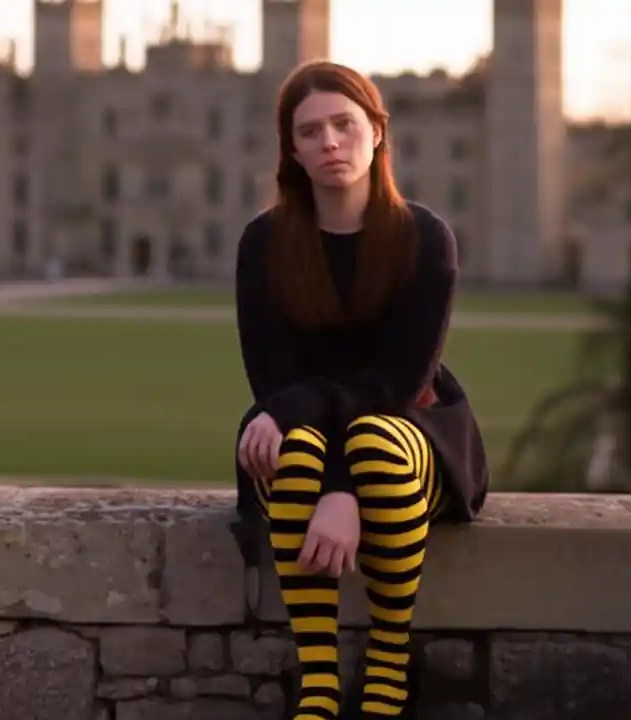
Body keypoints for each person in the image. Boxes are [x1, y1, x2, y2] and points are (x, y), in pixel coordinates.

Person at [233, 60, 490, 720]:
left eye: (344, 125)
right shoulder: (263, 243)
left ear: (377, 132)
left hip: (411, 424)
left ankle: (386, 673)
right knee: (291, 449)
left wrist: (341, 486)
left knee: (372, 441)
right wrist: (291, 417)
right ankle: (318, 686)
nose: (330, 143)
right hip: (306, 433)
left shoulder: (424, 238)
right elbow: (272, 377)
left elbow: (399, 382)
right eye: (310, 131)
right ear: (291, 149)